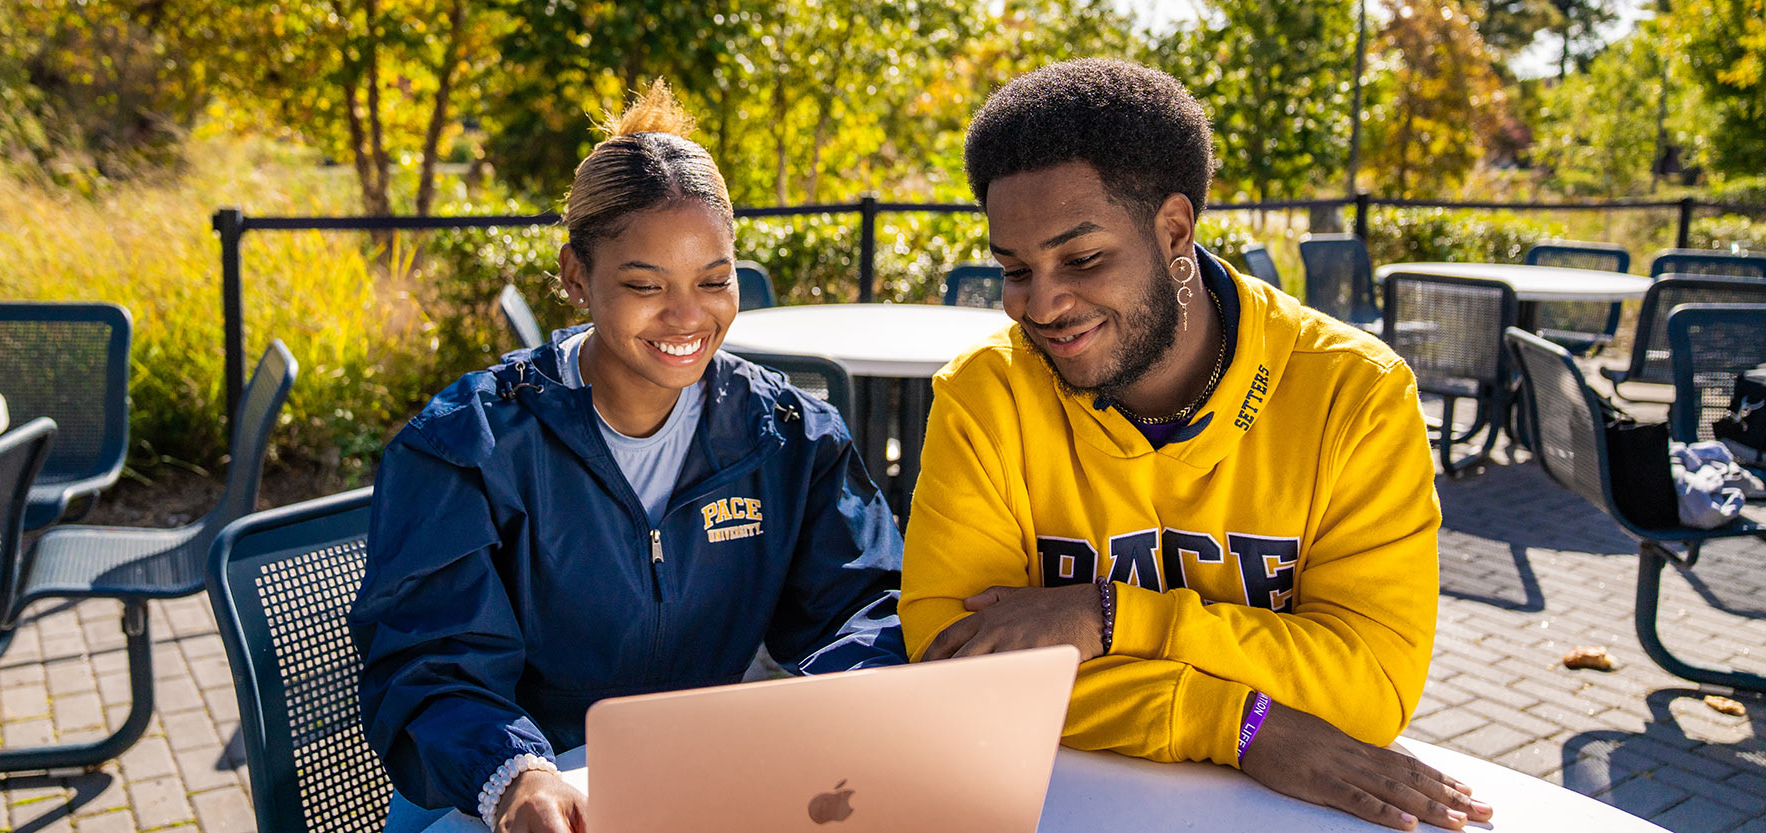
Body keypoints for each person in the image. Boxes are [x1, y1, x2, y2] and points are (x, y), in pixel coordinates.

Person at [899, 58, 1494, 832]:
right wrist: (1238, 722)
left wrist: (1110, 616)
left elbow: (1369, 685)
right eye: (1015, 269)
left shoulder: (1357, 393)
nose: (1041, 304)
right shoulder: (985, 393)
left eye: (1082, 259)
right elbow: (955, 664)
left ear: (1174, 230)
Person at [349, 82, 905, 833]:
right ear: (576, 275)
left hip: (680, 790)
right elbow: (431, 661)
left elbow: (863, 607)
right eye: (646, 284)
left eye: (714, 280)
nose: (687, 317)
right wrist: (516, 774)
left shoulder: (790, 437)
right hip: (493, 797)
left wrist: (815, 725)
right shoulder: (466, 446)